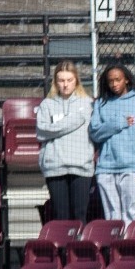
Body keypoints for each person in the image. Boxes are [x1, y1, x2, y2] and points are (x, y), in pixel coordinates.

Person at [89, 63, 135, 224]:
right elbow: (95, 133)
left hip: (132, 168)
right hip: (106, 169)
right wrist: (118, 123)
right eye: (110, 81)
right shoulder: (100, 103)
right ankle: (115, 249)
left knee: (134, 216)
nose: (114, 84)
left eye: (118, 80)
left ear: (126, 80)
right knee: (113, 218)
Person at [36, 60, 95, 223]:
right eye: (61, 80)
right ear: (55, 82)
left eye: (69, 80)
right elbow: (41, 132)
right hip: (55, 166)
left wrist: (55, 126)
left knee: (80, 214)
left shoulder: (88, 103)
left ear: (76, 80)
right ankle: (62, 249)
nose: (65, 85)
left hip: (81, 166)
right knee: (60, 216)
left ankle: (78, 249)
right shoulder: (47, 105)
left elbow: (95, 130)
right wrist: (75, 120)